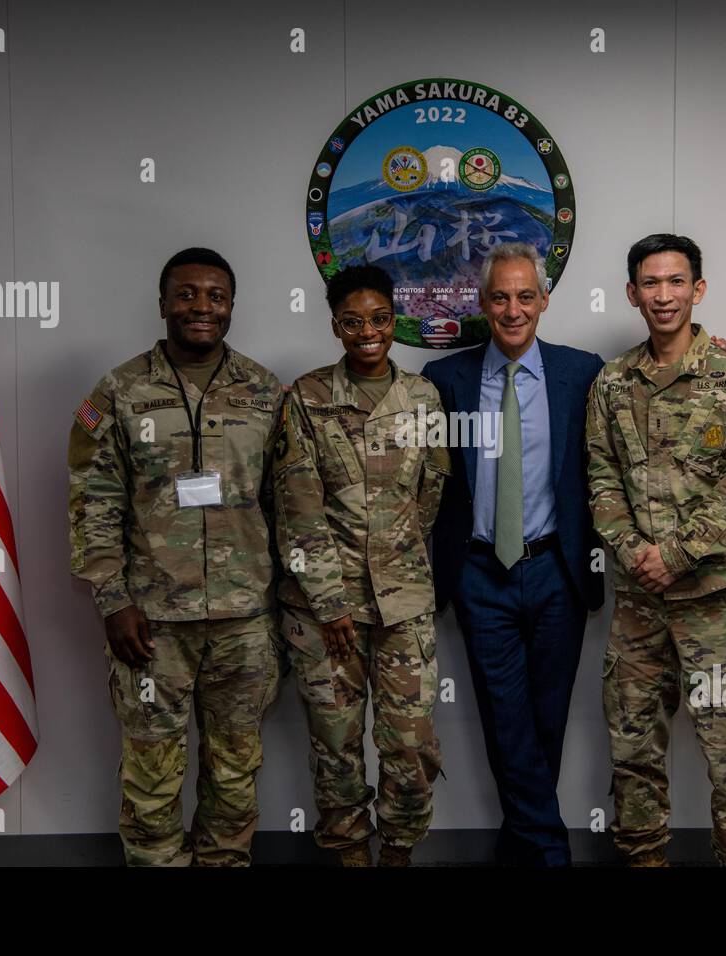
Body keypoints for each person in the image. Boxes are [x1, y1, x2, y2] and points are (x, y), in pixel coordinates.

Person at [68, 247, 284, 866]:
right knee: (151, 773)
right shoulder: (118, 391)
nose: (201, 308)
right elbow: (93, 502)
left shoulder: (264, 391)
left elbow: (289, 502)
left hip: (245, 621)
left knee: (236, 770)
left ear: (232, 307)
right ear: (162, 303)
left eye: (215, 296)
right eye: (186, 294)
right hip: (152, 623)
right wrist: (113, 600)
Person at [587, 233, 726, 867]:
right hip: (639, 601)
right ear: (632, 294)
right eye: (650, 283)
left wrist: (674, 554)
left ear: (697, 290)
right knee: (633, 752)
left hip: (714, 602)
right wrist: (632, 548)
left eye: (676, 283)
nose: (663, 296)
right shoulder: (613, 383)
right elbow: (599, 475)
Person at [421, 243, 604, 866]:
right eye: (500, 296)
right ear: (482, 303)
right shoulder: (445, 380)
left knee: (546, 718)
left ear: (544, 301)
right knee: (504, 714)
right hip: (479, 573)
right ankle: (549, 854)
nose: (513, 308)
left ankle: (519, 847)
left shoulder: (583, 374)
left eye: (526, 295)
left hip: (557, 568)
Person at [273, 265, 449, 867]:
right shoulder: (307, 398)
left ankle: (399, 850)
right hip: (326, 613)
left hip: (405, 606)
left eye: (378, 319)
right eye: (353, 321)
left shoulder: (423, 397)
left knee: (411, 744)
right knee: (336, 746)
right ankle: (348, 852)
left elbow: (431, 494)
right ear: (335, 326)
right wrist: (330, 601)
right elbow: (296, 506)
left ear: (393, 321)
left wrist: (398, 566)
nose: (367, 331)